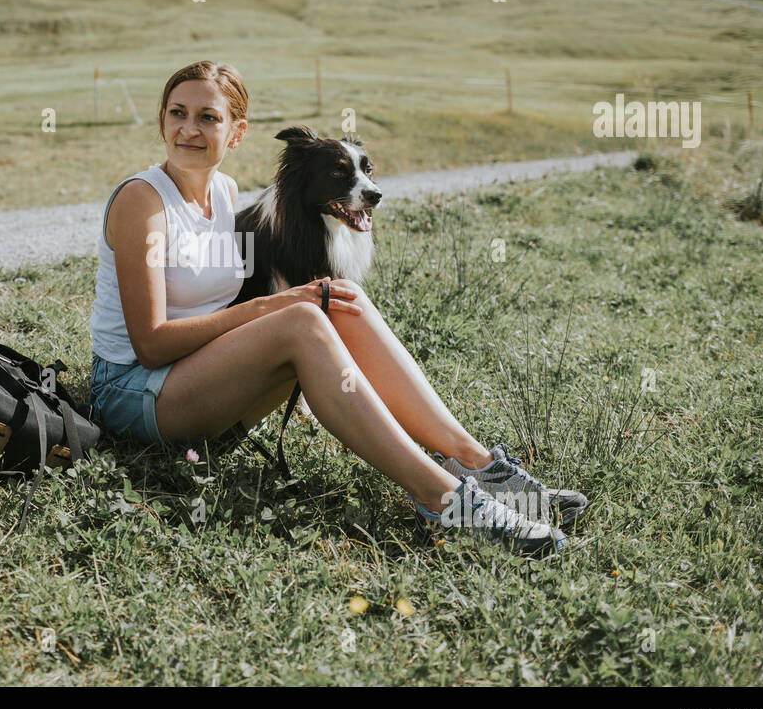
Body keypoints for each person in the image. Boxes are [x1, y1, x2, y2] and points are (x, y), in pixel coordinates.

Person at [87, 60, 586, 556]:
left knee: (343, 298)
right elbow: (150, 345)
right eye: (177, 113)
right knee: (303, 314)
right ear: (161, 122)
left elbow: (219, 305)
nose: (189, 128)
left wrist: (287, 305)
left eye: (208, 117)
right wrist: (274, 307)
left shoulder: (224, 192)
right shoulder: (143, 201)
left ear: (237, 132)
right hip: (134, 394)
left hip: (200, 383)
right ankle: (444, 499)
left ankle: (474, 462)